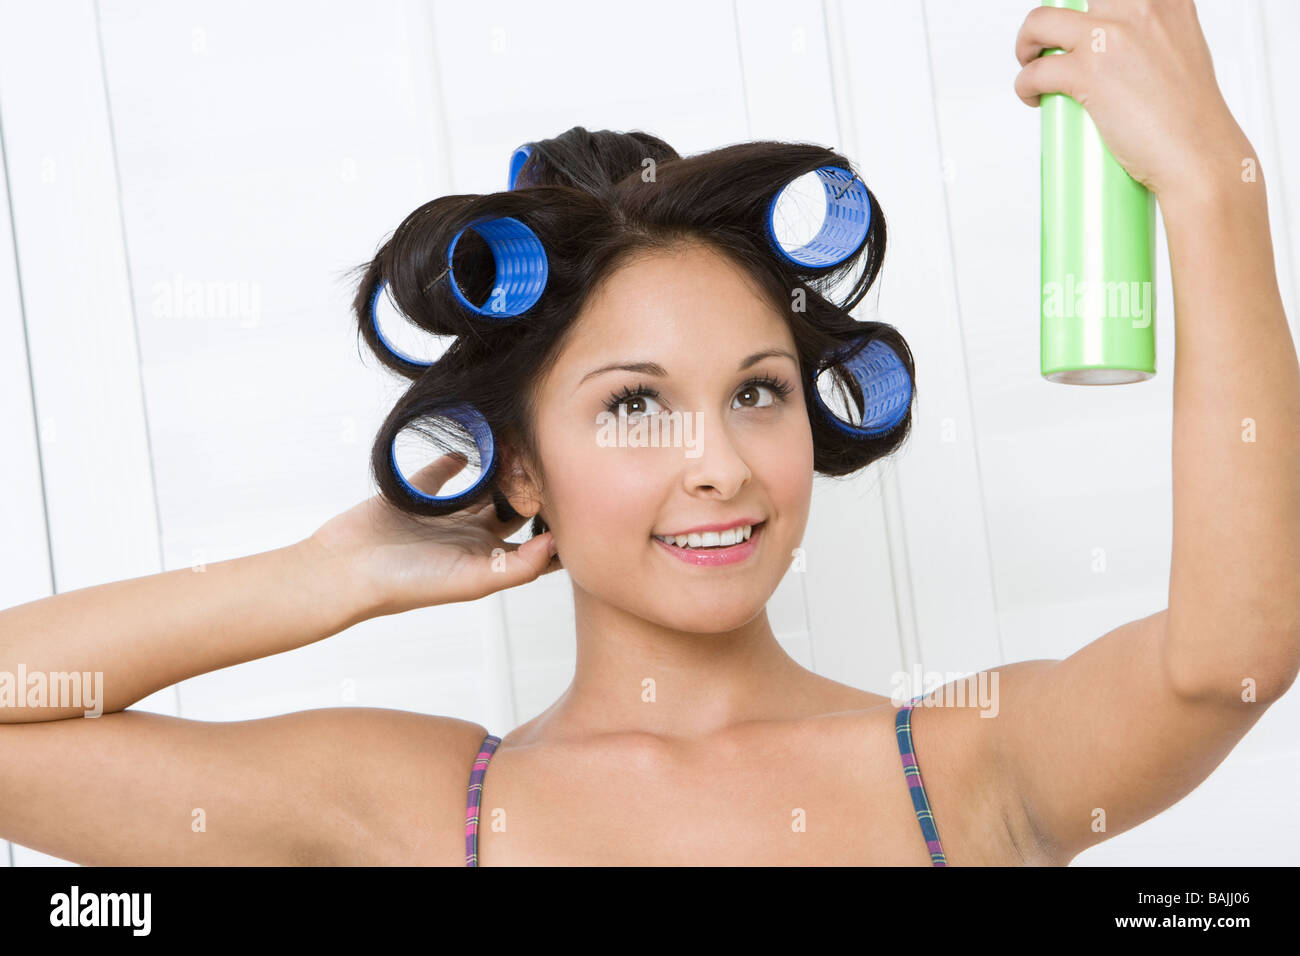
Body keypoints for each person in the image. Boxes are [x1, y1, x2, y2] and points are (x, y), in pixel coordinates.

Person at [0, 0, 1295, 866]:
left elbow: (1230, 659)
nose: (719, 461)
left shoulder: (959, 770)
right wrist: (332, 574)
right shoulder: (429, 810)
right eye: (632, 404)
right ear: (520, 464)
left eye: (757, 390)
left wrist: (1208, 179)